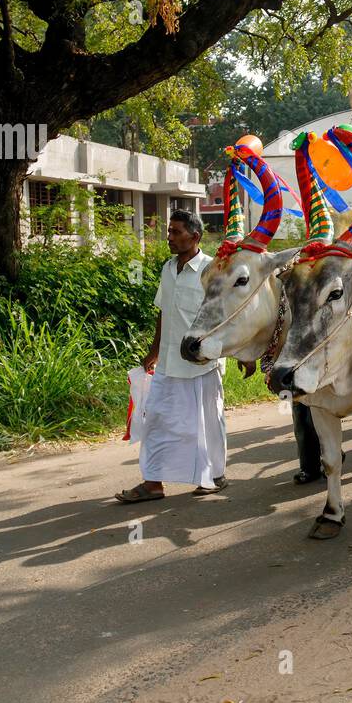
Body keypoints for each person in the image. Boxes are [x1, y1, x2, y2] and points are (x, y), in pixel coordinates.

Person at [115, 209, 228, 503]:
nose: (170, 237)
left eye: (176, 232)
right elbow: (164, 312)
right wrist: (153, 351)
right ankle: (153, 483)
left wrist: (241, 353)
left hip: (202, 363)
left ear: (195, 236)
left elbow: (224, 317)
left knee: (205, 424)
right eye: (169, 231)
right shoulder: (168, 268)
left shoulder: (212, 270)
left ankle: (212, 476)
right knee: (156, 420)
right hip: (167, 362)